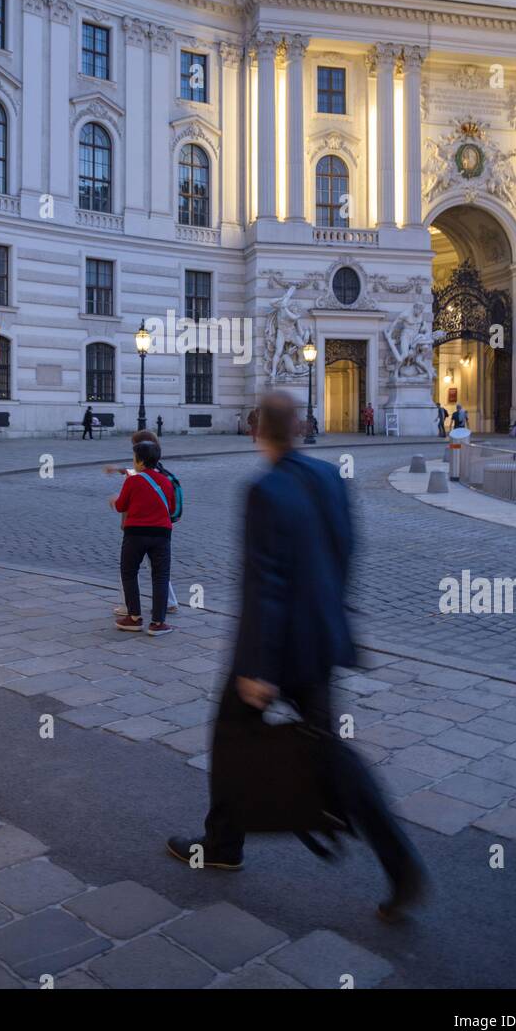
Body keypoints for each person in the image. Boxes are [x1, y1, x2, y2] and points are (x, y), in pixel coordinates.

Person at [166, 390, 426, 920]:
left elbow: (267, 582)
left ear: (257, 431)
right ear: (302, 428)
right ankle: (401, 865)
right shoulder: (331, 479)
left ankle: (222, 845)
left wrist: (259, 668)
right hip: (323, 638)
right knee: (330, 750)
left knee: (229, 736)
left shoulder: (264, 490)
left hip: (273, 648)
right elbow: (347, 549)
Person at [107, 429, 180, 619]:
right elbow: (171, 507)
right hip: (162, 533)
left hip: (136, 533)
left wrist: (115, 500)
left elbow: (122, 505)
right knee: (160, 576)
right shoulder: (166, 479)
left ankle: (133, 616)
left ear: (139, 459)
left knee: (128, 572)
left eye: (133, 455)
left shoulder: (133, 480)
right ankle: (158, 622)